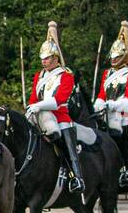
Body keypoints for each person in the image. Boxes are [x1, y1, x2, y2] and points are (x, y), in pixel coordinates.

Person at [25, 24, 84, 192]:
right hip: (38, 114)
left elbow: (59, 100)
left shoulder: (66, 75)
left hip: (60, 116)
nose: (44, 61)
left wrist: (38, 105)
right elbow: (33, 98)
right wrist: (32, 106)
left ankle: (75, 176)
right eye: (42, 58)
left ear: (56, 58)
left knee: (69, 148)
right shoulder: (39, 76)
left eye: (48, 58)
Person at [94, 19, 128, 189]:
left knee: (122, 135)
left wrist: (112, 105)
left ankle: (126, 170)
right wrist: (98, 104)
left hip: (124, 115)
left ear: (124, 56)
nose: (114, 60)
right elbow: (102, 94)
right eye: (113, 57)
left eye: (118, 57)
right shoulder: (107, 74)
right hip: (106, 113)